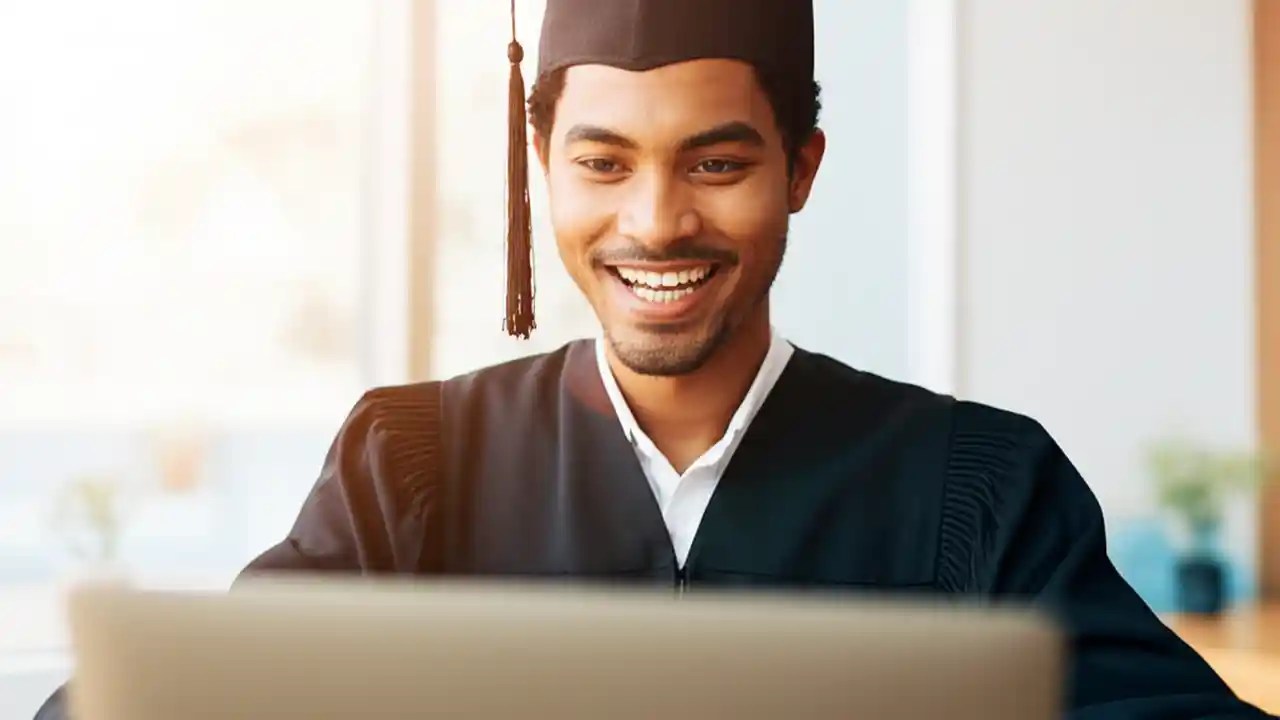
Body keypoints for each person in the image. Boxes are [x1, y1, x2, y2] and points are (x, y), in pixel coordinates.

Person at [38, 1, 1268, 718]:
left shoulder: (979, 487)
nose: (653, 222)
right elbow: (198, 698)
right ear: (545, 166)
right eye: (602, 160)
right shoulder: (409, 466)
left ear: (803, 168)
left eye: (717, 163)